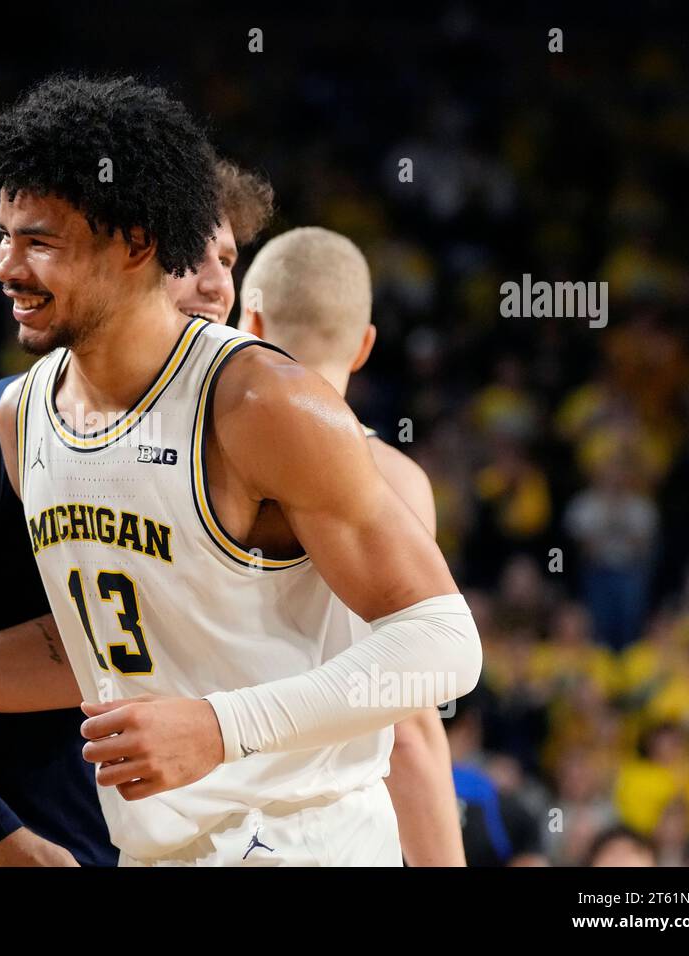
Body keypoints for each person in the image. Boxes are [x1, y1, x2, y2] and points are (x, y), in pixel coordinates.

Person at [0, 75, 481, 867]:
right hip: (159, 849)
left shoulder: (260, 402)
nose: (8, 266)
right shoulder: (22, 419)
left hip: (304, 837)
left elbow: (443, 642)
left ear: (136, 244)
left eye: (40, 241)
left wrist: (221, 727)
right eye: (5, 235)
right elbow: (94, 649)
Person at [0, 159, 274, 866]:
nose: (218, 285)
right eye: (194, 257)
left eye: (227, 258)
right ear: (132, 259)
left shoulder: (221, 450)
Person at [237, 226, 465, 864]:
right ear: (364, 346)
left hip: (192, 819)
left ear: (247, 317)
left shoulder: (192, 460)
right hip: (336, 834)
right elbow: (412, 730)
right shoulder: (398, 480)